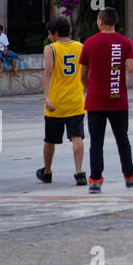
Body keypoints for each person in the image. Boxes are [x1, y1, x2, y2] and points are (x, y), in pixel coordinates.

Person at [79, 7, 133, 194]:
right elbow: (131, 69)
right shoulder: (125, 43)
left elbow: (82, 74)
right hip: (118, 101)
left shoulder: (89, 43)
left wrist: (88, 87)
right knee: (122, 139)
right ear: (116, 21)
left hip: (95, 101)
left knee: (96, 142)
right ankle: (129, 174)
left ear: (100, 21)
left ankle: (95, 180)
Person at [38, 17, 87, 186]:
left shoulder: (50, 49)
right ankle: (79, 171)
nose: (49, 37)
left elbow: (48, 73)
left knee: (50, 140)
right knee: (77, 136)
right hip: (76, 101)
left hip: (56, 102)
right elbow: (86, 72)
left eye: (50, 33)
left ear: (56, 33)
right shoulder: (80, 47)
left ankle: (47, 171)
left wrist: (46, 97)